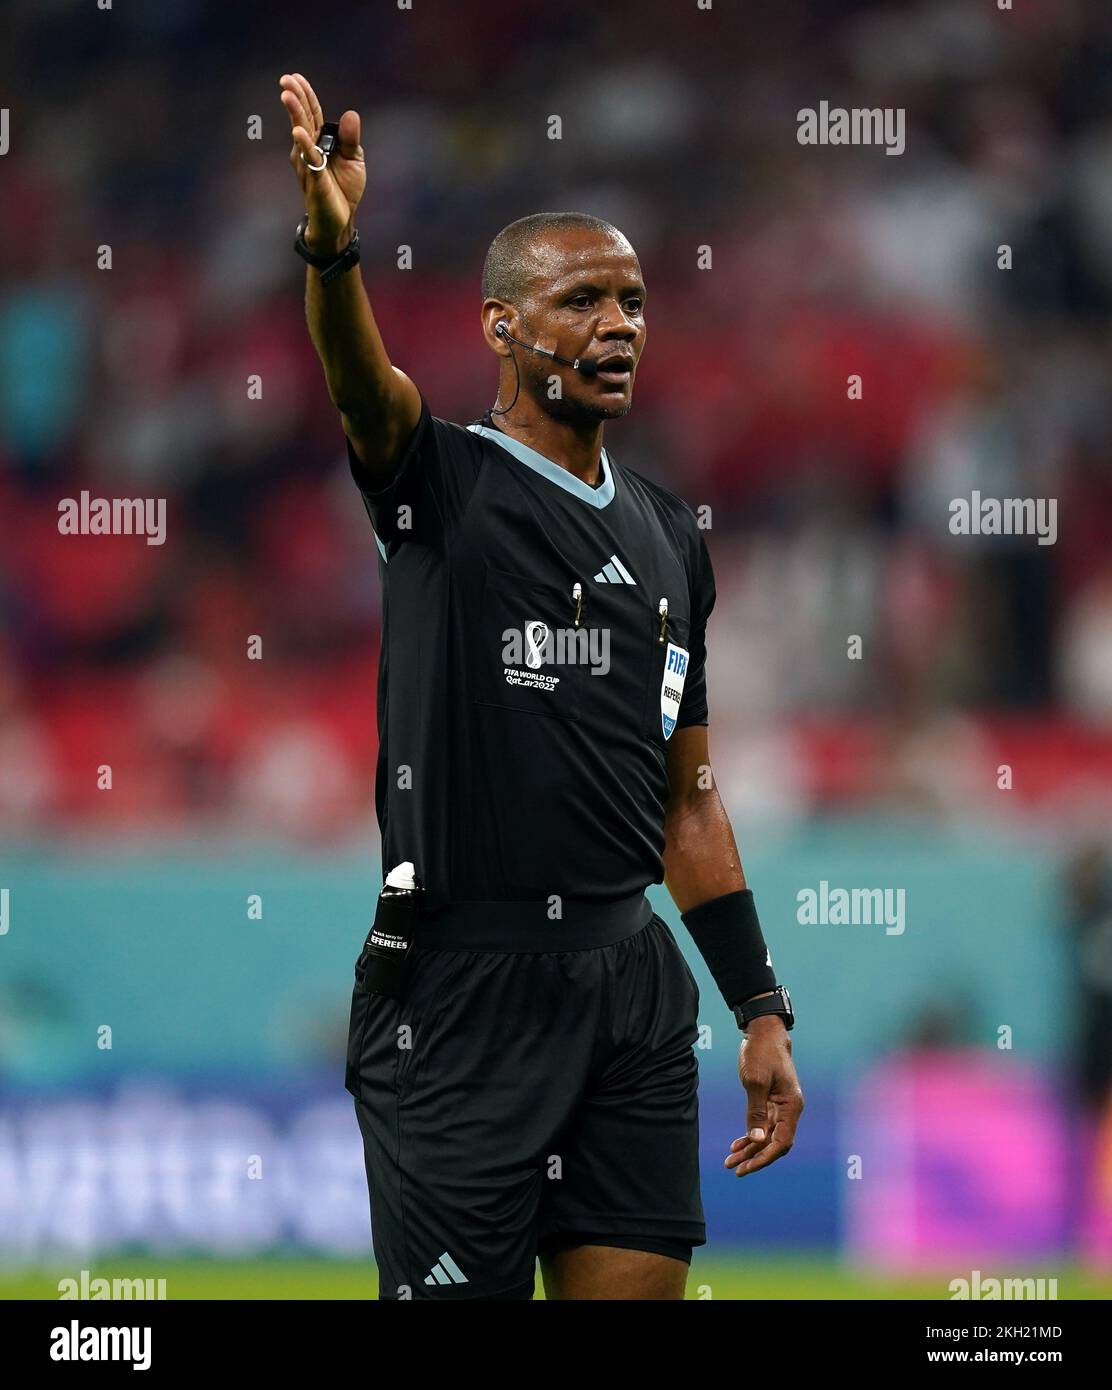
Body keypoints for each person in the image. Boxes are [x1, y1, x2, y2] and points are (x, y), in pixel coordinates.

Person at [280, 72, 804, 1301]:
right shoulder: (442, 488)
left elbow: (688, 798)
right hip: (460, 992)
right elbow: (361, 386)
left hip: (627, 989)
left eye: (631, 300)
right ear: (502, 330)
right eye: (581, 301)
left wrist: (759, 1006)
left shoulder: (673, 533)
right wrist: (330, 244)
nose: (618, 323)